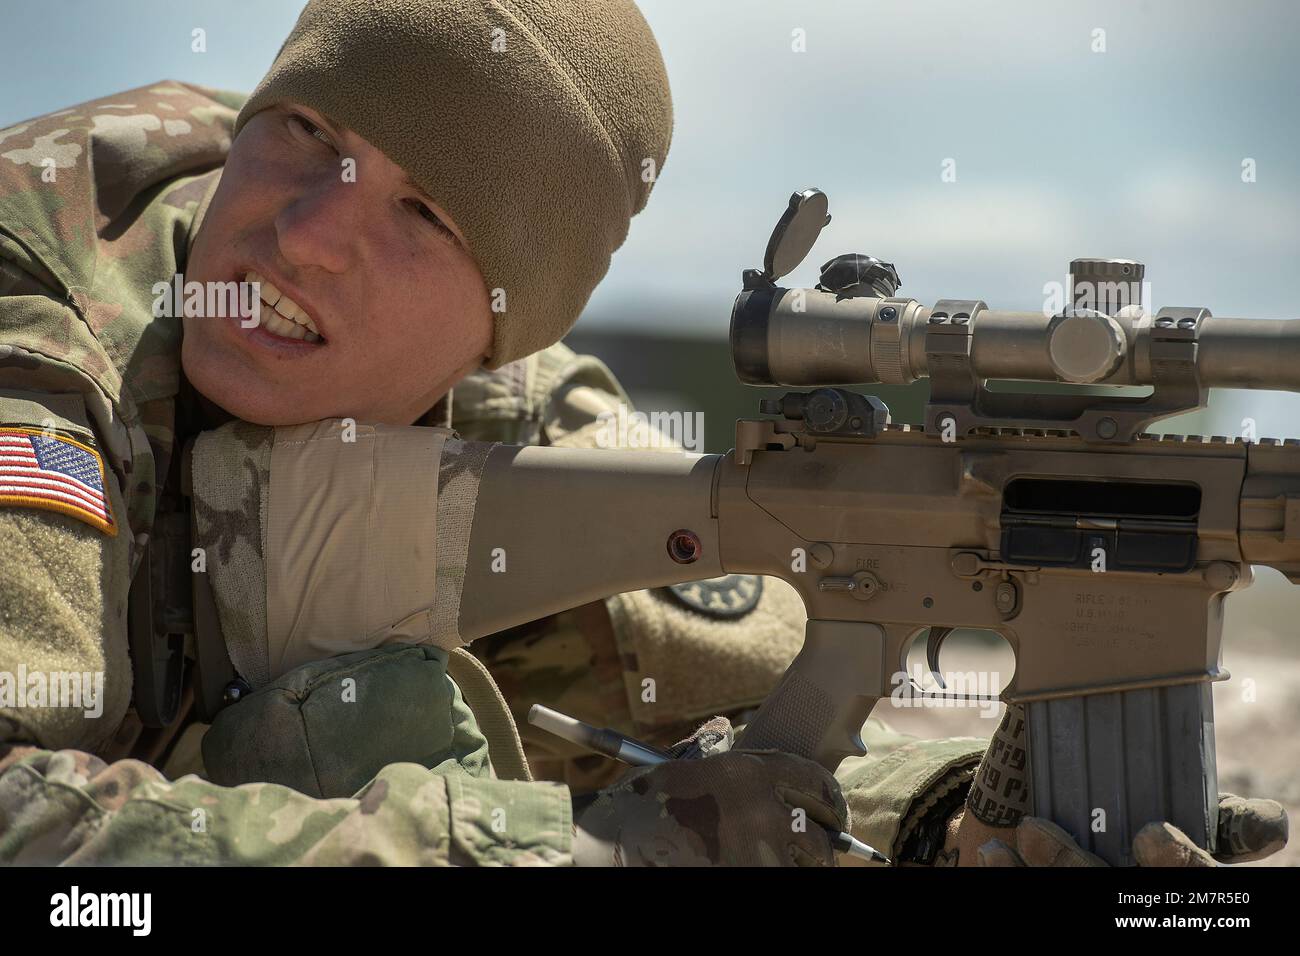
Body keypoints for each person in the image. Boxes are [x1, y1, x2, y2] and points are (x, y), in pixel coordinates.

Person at [0, 0, 1284, 867]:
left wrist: (951, 818)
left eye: (426, 214)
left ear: (499, 332)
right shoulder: (36, 324)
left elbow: (725, 754)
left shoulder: (520, 425)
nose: (306, 234)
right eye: (307, 132)